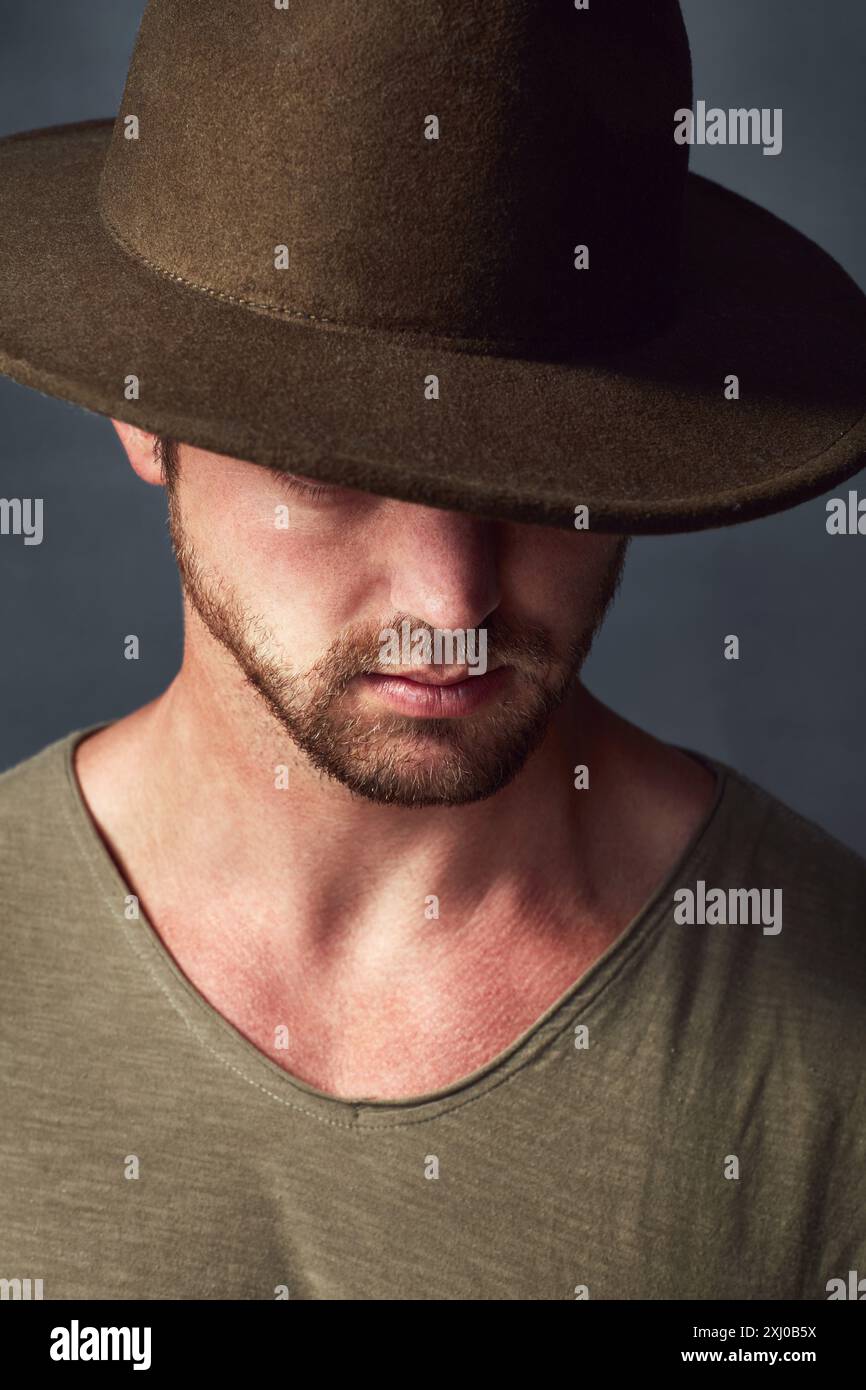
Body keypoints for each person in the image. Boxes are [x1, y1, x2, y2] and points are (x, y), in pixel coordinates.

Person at [1, 0, 864, 1300]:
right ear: (141, 411)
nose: (450, 596)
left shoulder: (830, 1041)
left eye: (541, 471)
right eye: (335, 469)